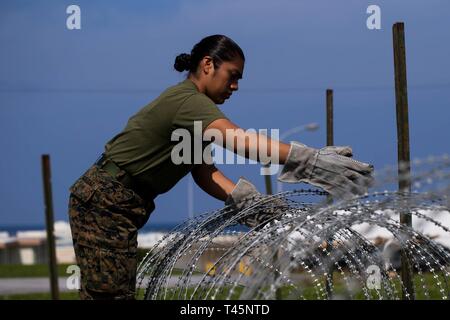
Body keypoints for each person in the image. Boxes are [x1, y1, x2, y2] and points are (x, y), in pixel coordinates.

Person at [68, 34, 373, 300]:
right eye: (232, 75)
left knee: (110, 292)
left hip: (114, 200)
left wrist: (248, 203)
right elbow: (238, 140)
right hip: (106, 200)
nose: (235, 86)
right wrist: (310, 161)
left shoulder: (194, 112)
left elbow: (203, 171)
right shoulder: (189, 102)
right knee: (110, 295)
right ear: (208, 65)